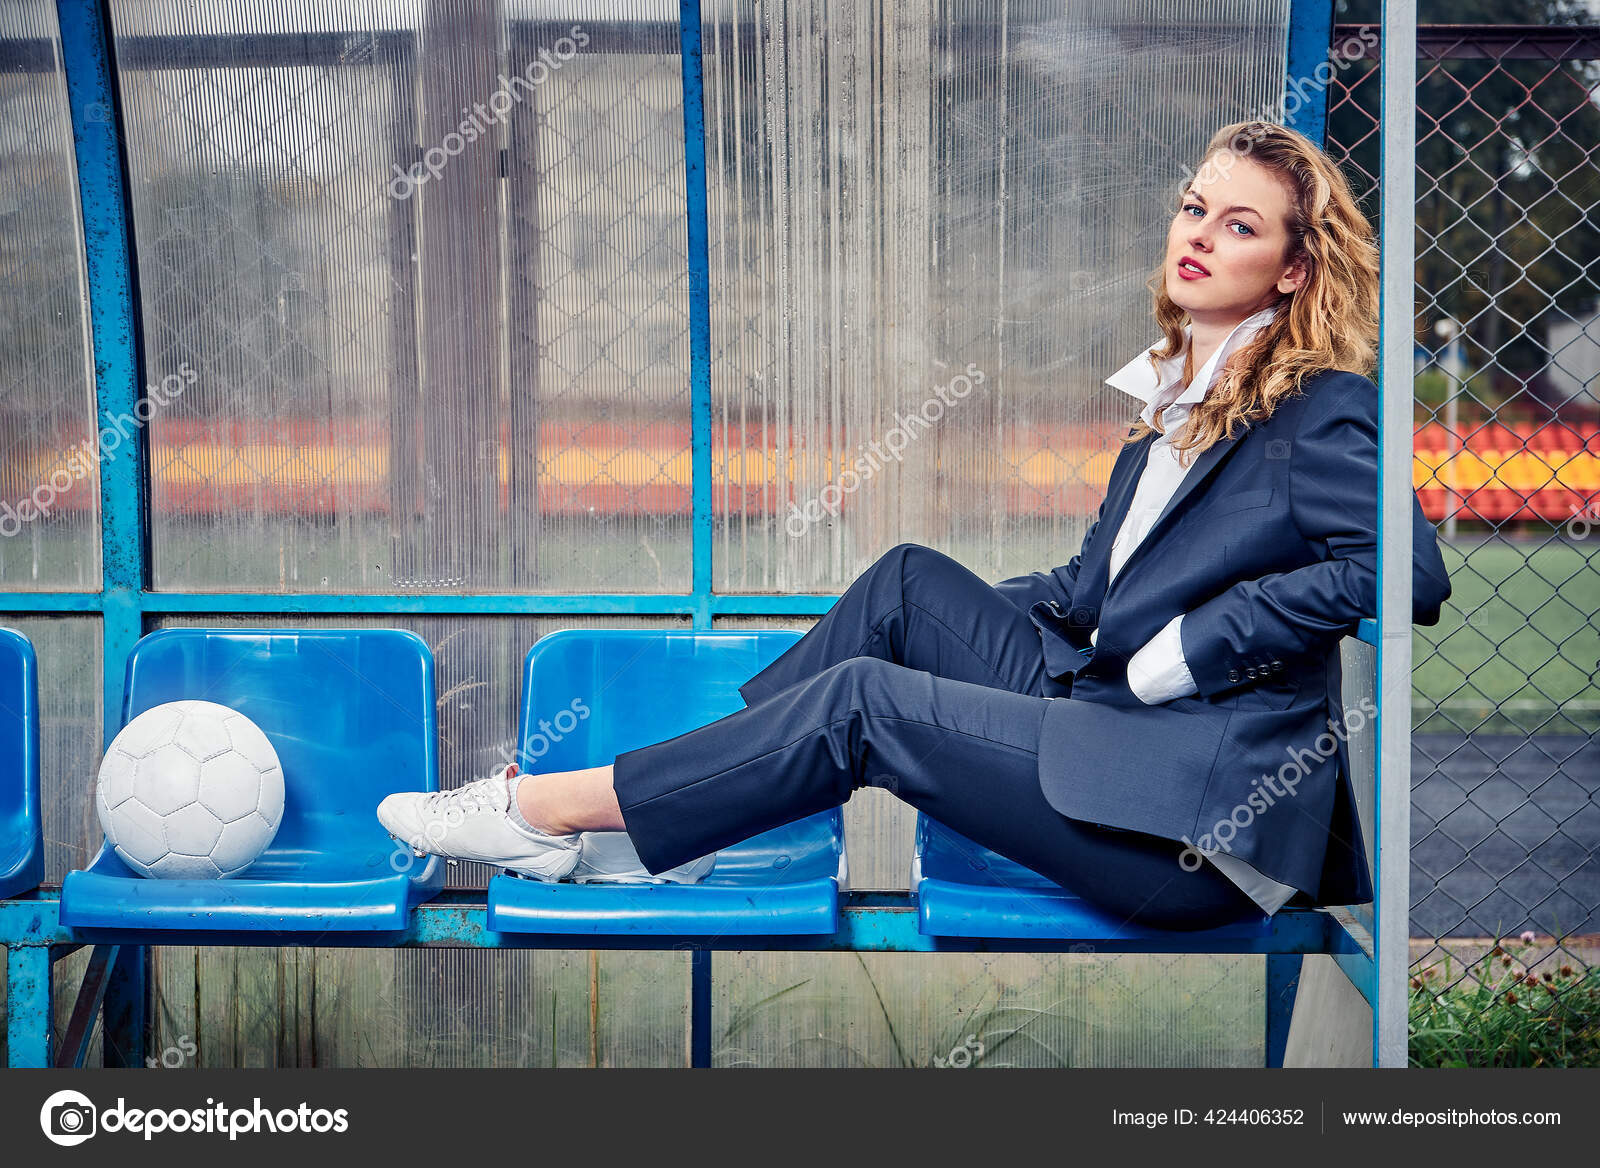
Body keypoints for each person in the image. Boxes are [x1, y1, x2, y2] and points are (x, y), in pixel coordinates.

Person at [377, 119, 1453, 930]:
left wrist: (1202, 642)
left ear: (1295, 267)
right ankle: (672, 824)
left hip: (1186, 824)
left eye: (1240, 224)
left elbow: (1402, 572)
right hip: (1116, 730)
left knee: (863, 707)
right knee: (903, 583)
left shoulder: (1317, 406)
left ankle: (554, 809)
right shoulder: (1176, 400)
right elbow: (1088, 601)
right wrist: (959, 640)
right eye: (1193, 207)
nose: (1200, 235)